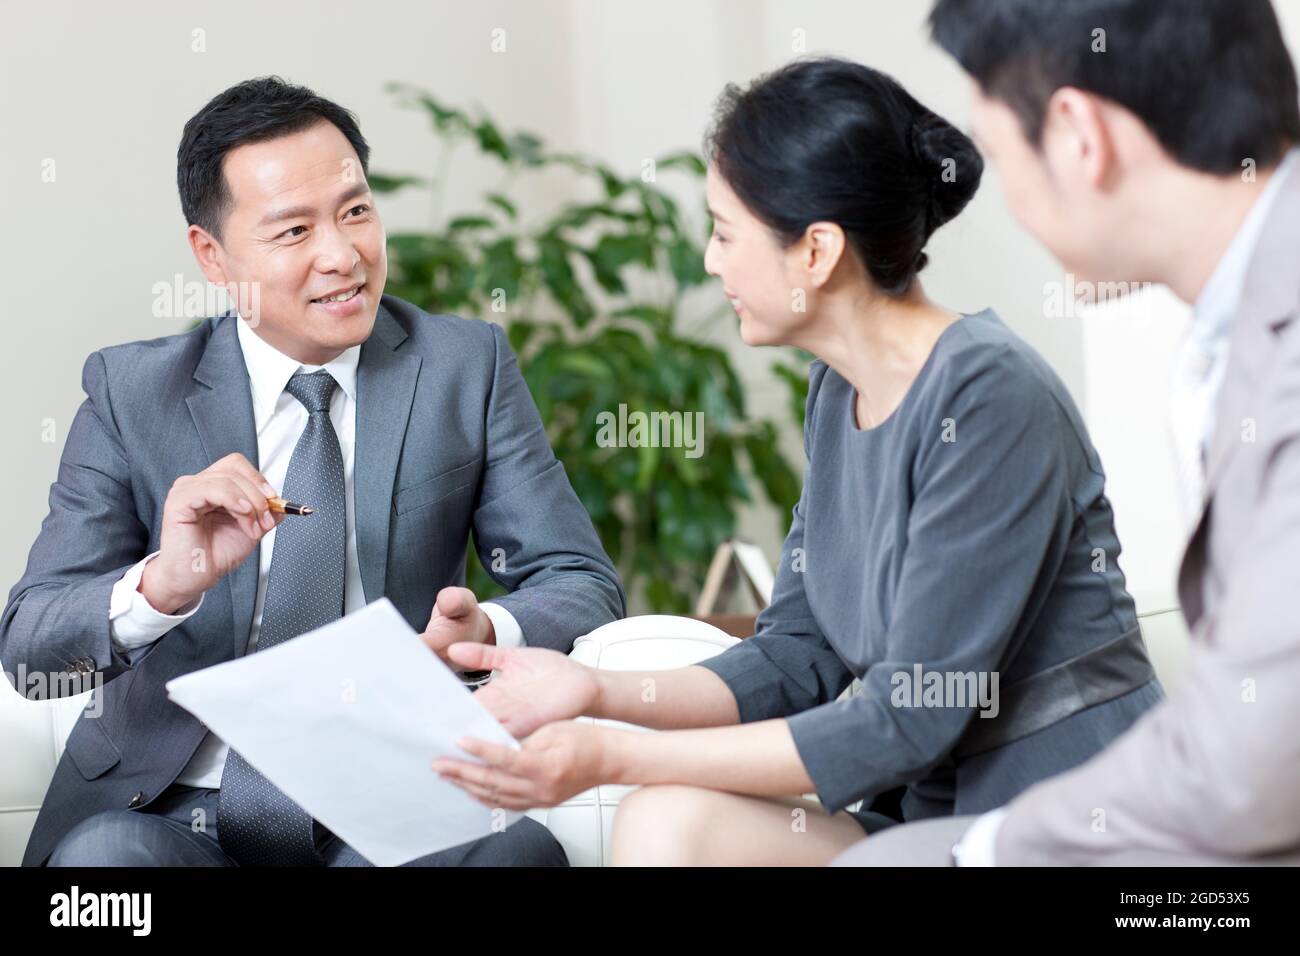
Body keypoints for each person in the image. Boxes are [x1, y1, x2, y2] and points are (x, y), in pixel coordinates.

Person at [433, 58, 1162, 866]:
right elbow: (795, 654)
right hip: (927, 820)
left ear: (815, 252)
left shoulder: (989, 395)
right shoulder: (836, 392)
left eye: (723, 231)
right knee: (667, 819)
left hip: (1060, 820)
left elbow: (906, 718)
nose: (710, 263)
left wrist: (610, 753)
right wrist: (594, 694)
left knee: (656, 797)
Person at [0, 76, 624, 867]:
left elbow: (581, 580)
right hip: (171, 813)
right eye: (294, 232)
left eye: (356, 211)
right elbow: (30, 649)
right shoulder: (132, 394)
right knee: (106, 867)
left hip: (386, 803)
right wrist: (162, 586)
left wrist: (484, 633)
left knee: (516, 859)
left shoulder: (465, 368)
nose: (343, 254)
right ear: (213, 257)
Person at [835, 0, 1300, 866]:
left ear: (1081, 136)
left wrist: (997, 844)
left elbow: (1252, 762)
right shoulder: (1238, 322)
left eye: (1005, 157)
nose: (1007, 199)